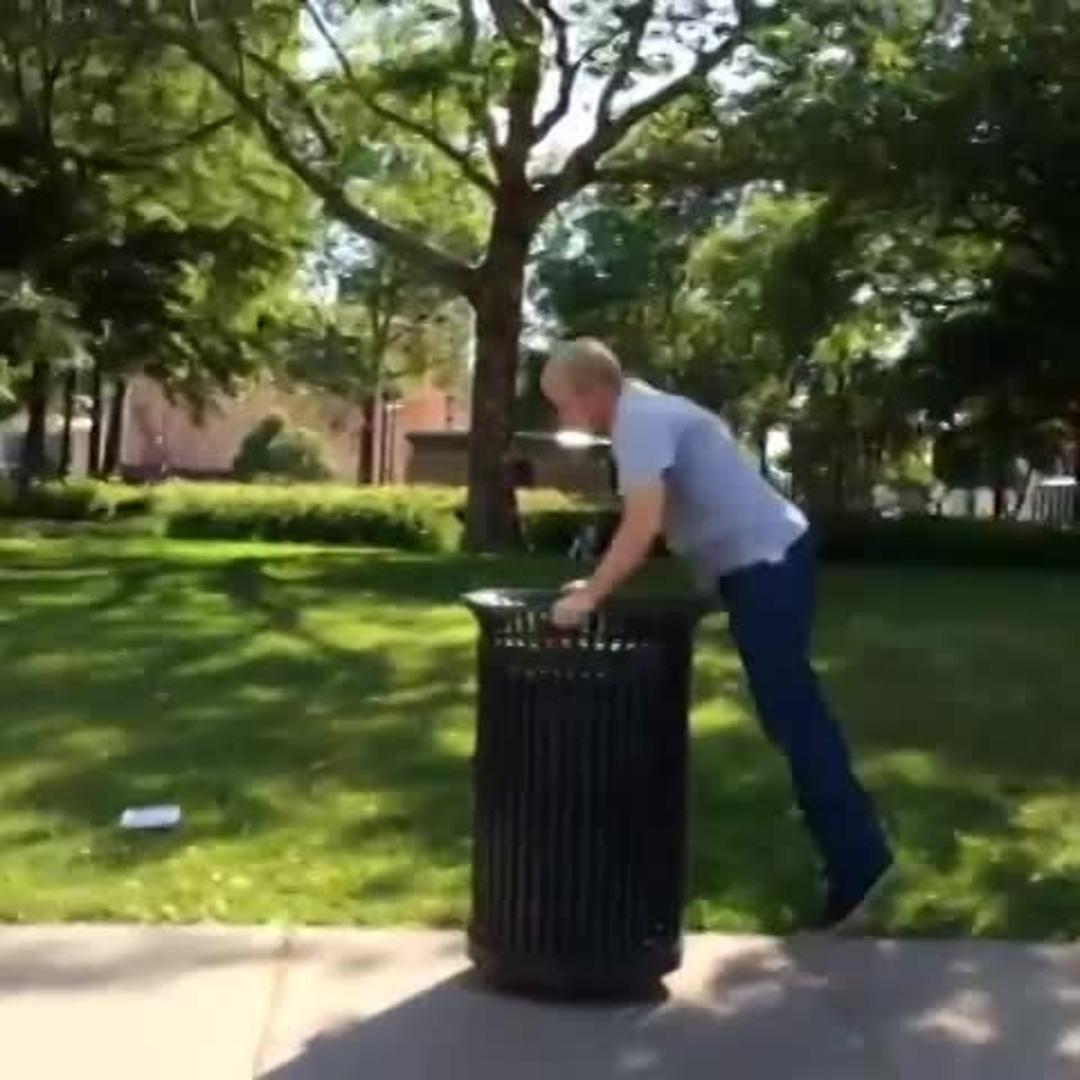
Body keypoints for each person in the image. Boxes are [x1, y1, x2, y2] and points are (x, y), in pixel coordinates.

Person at [543, 338, 893, 930]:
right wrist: (597, 584)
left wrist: (589, 596)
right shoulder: (646, 410)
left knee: (793, 712)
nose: (562, 416)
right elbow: (661, 520)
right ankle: (856, 851)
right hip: (764, 562)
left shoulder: (638, 421)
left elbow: (642, 524)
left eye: (562, 403)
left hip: (767, 564)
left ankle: (860, 861)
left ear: (593, 390)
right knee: (790, 712)